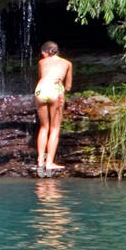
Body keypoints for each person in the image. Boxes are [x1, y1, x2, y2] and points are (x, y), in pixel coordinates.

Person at [34, 41, 73, 175]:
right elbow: (68, 87)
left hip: (39, 90)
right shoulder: (67, 63)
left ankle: (40, 161)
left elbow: (42, 77)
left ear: (45, 52)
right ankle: (49, 162)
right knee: (54, 128)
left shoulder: (41, 63)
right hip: (54, 91)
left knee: (44, 127)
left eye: (42, 54)